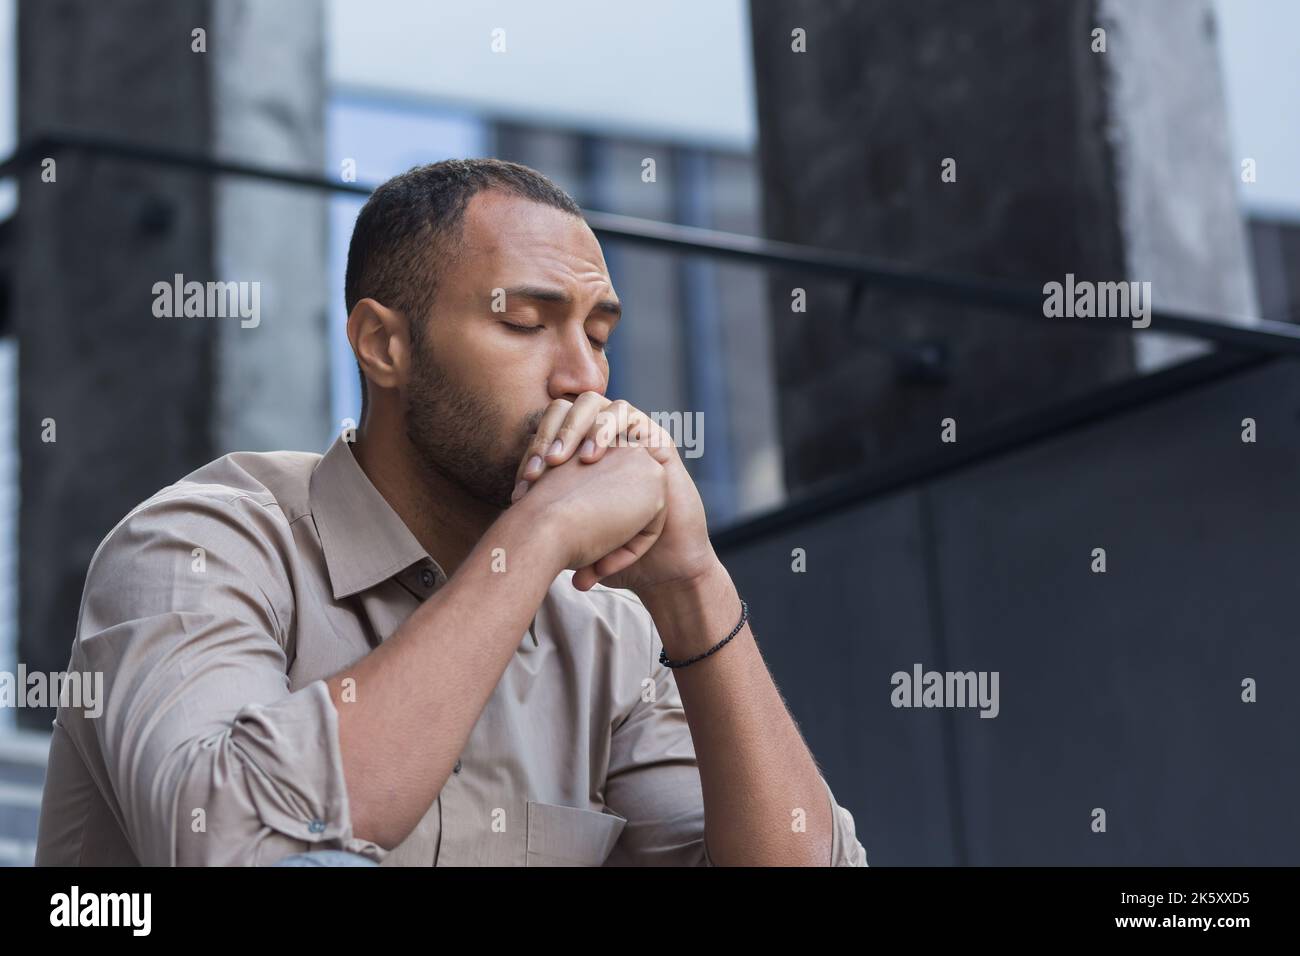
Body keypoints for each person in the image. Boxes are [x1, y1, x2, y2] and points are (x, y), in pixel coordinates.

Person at [35, 158, 867, 867]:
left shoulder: (606, 632)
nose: (584, 378)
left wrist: (694, 584)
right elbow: (233, 838)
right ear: (384, 346)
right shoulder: (198, 546)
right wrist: (537, 535)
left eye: (600, 334)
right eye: (525, 323)